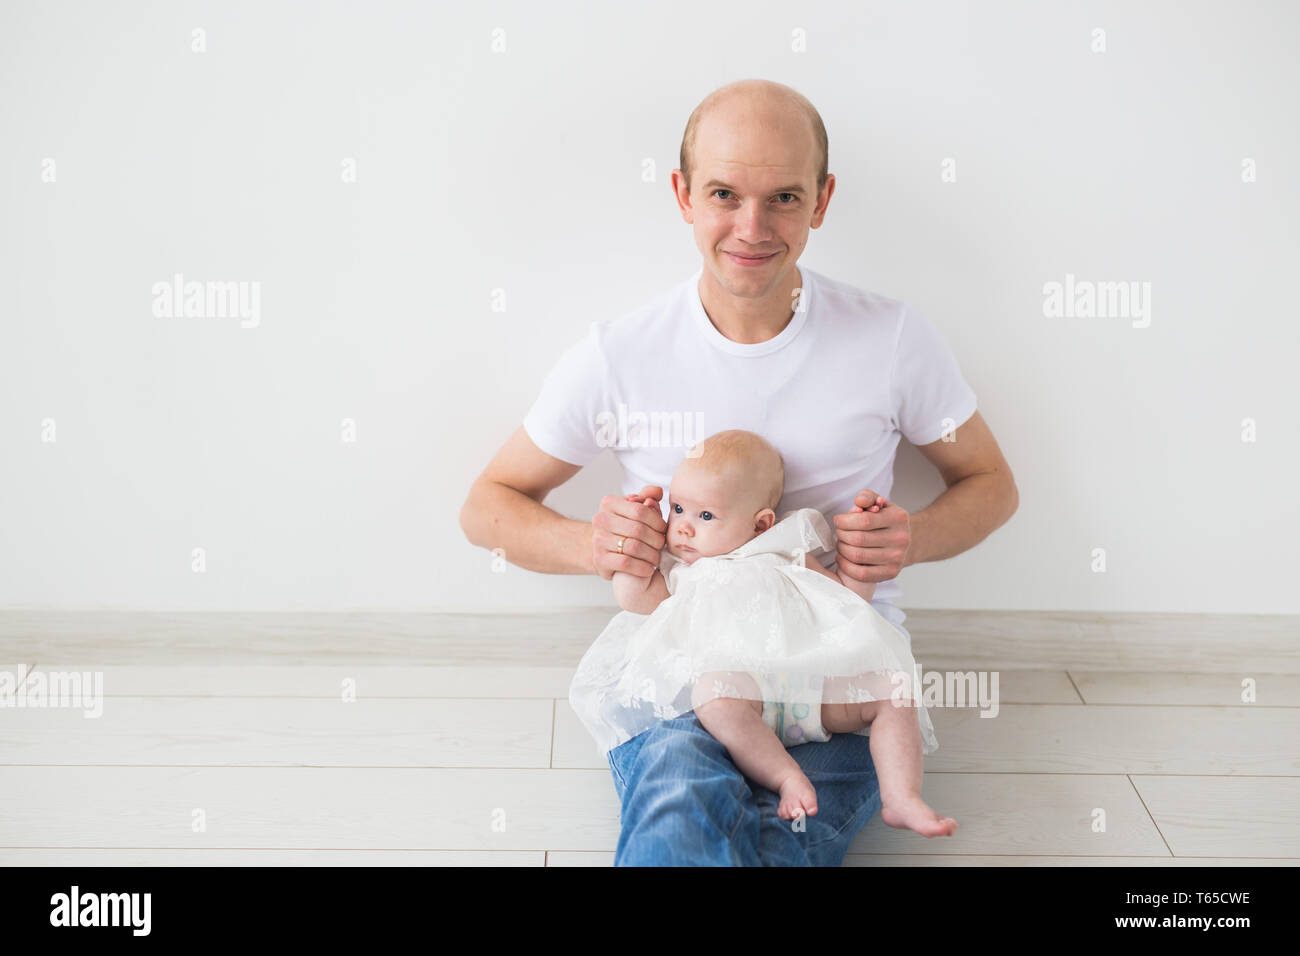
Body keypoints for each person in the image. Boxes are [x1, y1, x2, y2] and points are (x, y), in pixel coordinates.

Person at [459, 78, 1018, 866]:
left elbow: (992, 483)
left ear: (821, 201)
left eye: (784, 197)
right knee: (678, 812)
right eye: (725, 193)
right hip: (690, 675)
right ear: (685, 195)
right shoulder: (619, 354)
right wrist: (597, 545)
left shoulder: (892, 338)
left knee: (789, 838)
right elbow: (487, 506)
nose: (752, 228)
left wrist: (911, 538)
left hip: (837, 680)